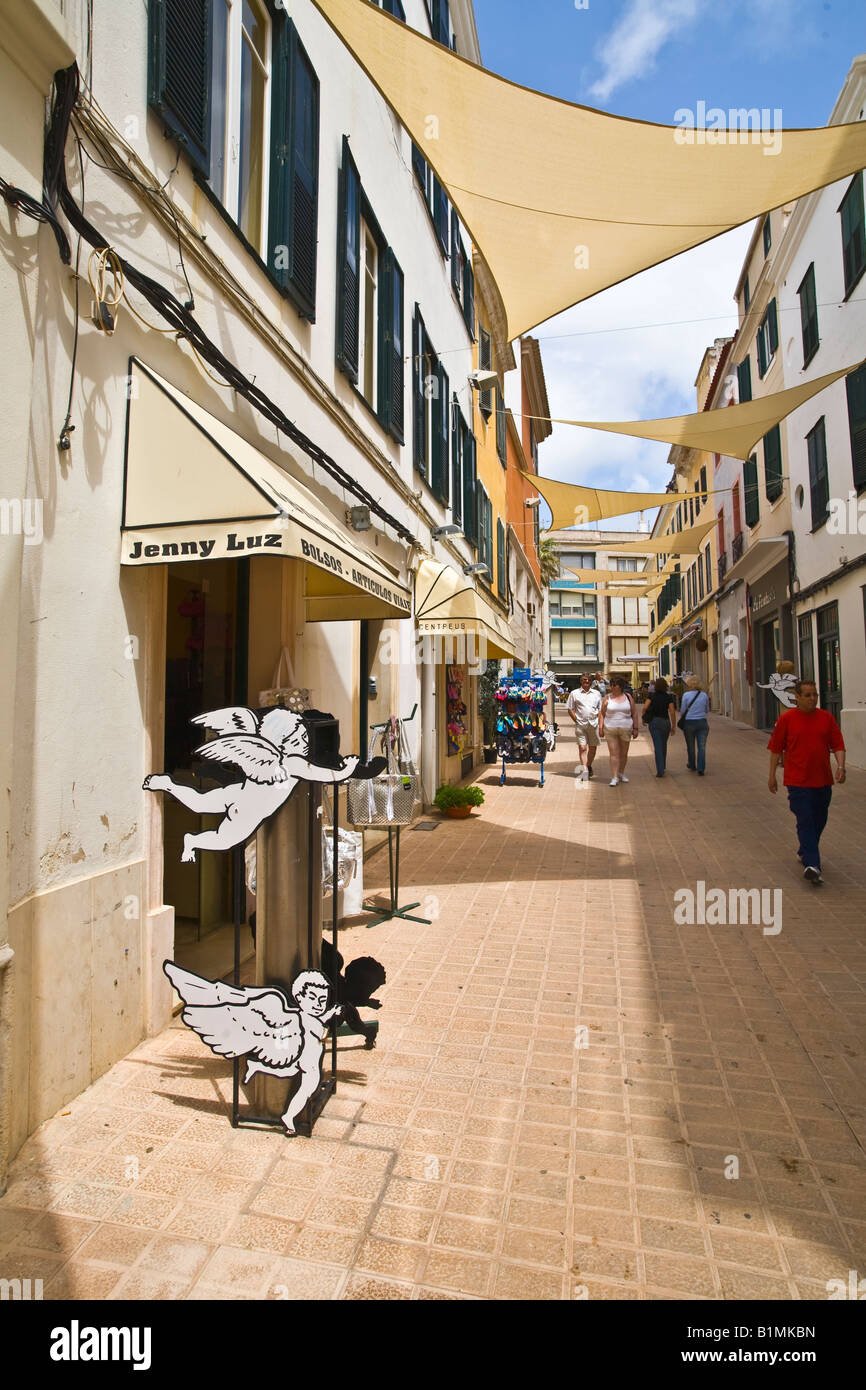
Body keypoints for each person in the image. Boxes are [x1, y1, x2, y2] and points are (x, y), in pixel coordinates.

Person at [767, 679, 846, 886]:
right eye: (808, 695)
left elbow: (837, 744)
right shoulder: (787, 719)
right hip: (797, 781)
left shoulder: (826, 718)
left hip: (822, 780)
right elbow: (776, 748)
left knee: (819, 819)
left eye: (815, 695)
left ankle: (805, 850)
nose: (813, 699)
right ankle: (813, 866)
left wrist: (841, 766)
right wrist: (772, 775)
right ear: (797, 697)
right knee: (806, 820)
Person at [599, 676, 639, 786]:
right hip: (610, 727)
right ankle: (615, 776)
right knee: (613, 753)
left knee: (623, 753)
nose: (612, 687)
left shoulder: (628, 697)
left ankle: (621, 772)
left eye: (614, 685)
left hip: (626, 727)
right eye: (611, 685)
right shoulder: (607, 698)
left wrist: (636, 728)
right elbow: (602, 714)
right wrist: (600, 728)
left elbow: (634, 713)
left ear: (620, 686)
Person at [566, 673, 602, 780]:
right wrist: (576, 720)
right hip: (580, 724)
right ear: (581, 681)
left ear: (591, 681)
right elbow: (570, 708)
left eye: (588, 680)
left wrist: (600, 724)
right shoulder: (574, 693)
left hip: (593, 724)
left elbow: (600, 710)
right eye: (584, 680)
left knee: (592, 747)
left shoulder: (597, 693)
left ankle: (588, 765)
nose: (586, 682)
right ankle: (585, 770)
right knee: (582, 748)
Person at [642, 676, 677, 776]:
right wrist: (673, 725)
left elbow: (645, 707)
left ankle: (660, 769)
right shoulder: (668, 697)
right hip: (665, 722)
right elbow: (672, 712)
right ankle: (663, 765)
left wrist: (644, 718)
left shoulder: (651, 696)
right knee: (663, 744)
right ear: (665, 686)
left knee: (657, 745)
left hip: (654, 722)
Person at [679, 676, 711, 775]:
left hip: (689, 723)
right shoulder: (704, 695)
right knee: (702, 747)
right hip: (702, 722)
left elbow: (682, 710)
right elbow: (707, 710)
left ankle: (692, 765)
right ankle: (701, 768)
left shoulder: (686, 695)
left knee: (690, 746)